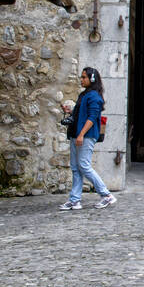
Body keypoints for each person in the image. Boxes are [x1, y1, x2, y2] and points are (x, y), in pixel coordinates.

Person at [61, 67, 115, 211]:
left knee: (83, 166)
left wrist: (81, 134)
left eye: (84, 77)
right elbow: (82, 114)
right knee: (75, 167)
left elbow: (92, 118)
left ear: (91, 79)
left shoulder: (95, 97)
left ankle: (106, 195)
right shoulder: (84, 95)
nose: (81, 79)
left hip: (85, 136)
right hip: (76, 134)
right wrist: (71, 111)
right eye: (81, 77)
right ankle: (75, 200)